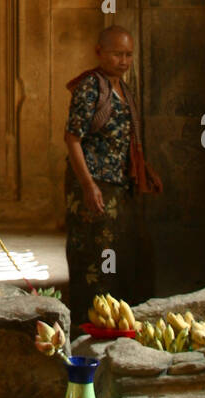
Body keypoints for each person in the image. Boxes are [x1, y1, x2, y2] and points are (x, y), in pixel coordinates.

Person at [63, 26, 162, 331]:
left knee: (126, 256)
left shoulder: (123, 89)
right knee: (95, 260)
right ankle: (89, 329)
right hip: (94, 186)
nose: (123, 60)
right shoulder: (90, 87)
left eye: (128, 54)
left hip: (121, 187)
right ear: (99, 52)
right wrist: (89, 185)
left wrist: (142, 171)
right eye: (117, 53)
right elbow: (72, 139)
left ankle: (122, 327)